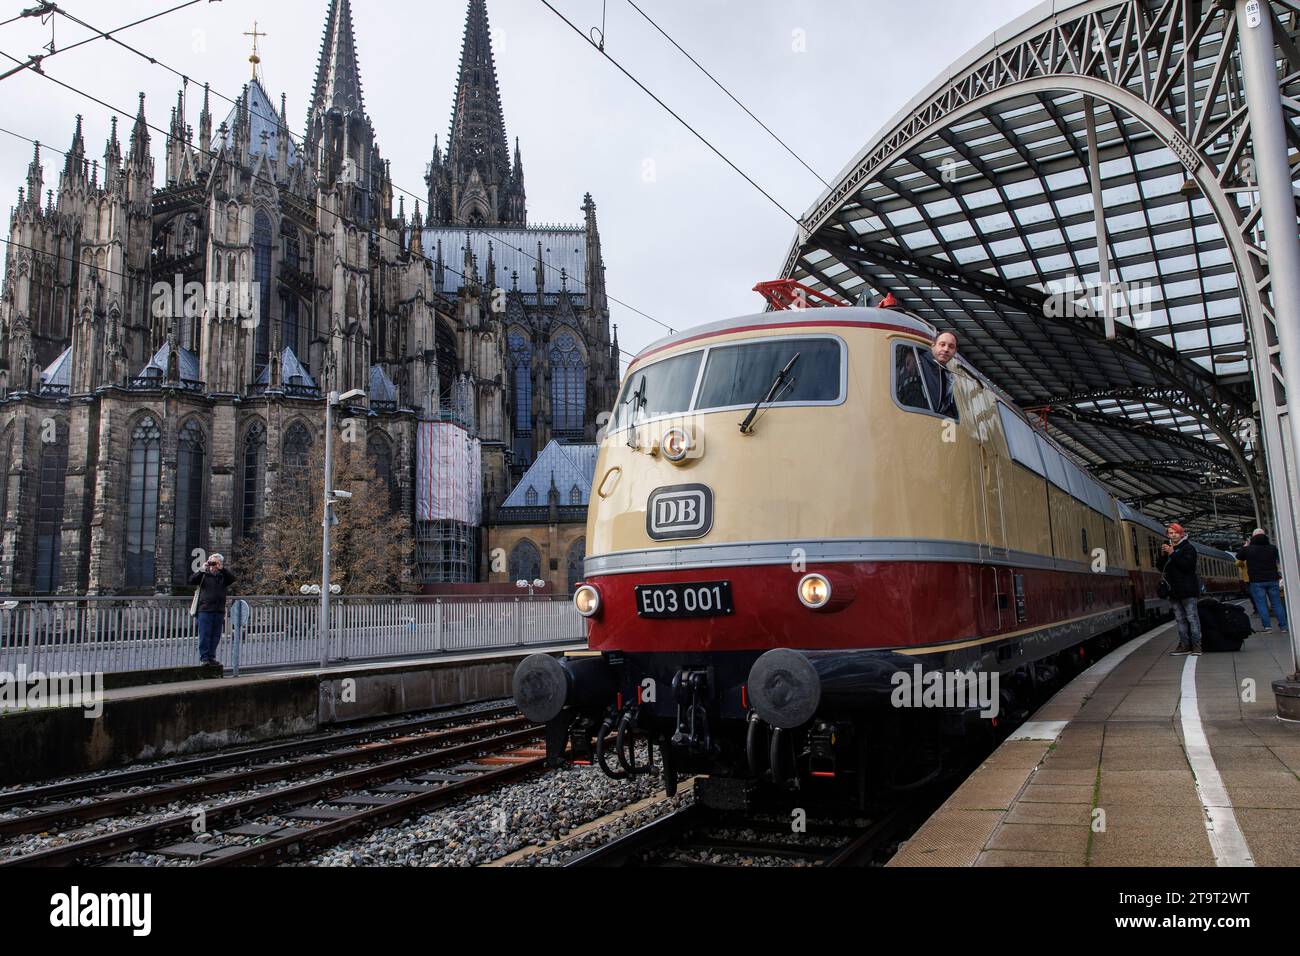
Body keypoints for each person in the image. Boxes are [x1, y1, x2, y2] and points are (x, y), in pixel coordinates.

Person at [1156, 523, 1202, 656]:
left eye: (1175, 532)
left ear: (1181, 533)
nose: (1173, 535)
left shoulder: (1189, 548)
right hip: (1174, 591)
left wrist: (1173, 554)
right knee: (1180, 619)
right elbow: (1161, 567)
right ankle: (1184, 645)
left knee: (1192, 618)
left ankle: (1197, 645)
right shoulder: (1170, 550)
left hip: (1188, 590)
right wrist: (1165, 555)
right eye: (1170, 533)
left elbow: (1187, 566)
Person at [1237, 528, 1288, 633]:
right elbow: (1279, 561)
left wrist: (1245, 546)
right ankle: (1283, 627)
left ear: (1253, 537)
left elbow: (1239, 557)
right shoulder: (1273, 548)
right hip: (1273, 579)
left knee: (1261, 604)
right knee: (1277, 604)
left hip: (1256, 581)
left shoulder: (1248, 549)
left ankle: (1267, 627)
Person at [189, 554, 235, 668]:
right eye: (212, 562)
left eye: (216, 563)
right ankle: (204, 658)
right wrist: (202, 569)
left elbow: (232, 579)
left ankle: (211, 657)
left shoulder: (223, 576)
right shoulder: (204, 575)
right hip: (205, 609)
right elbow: (192, 580)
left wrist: (222, 569)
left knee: (216, 635)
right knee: (205, 634)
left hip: (219, 610)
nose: (214, 565)